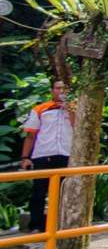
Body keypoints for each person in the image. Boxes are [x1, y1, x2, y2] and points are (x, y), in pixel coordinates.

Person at [18, 78, 73, 232]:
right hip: (43, 154)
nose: (61, 91)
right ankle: (36, 225)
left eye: (64, 88)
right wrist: (25, 157)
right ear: (52, 91)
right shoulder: (40, 109)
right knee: (39, 192)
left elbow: (78, 126)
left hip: (66, 154)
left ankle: (60, 224)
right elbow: (30, 135)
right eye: (57, 88)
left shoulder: (75, 108)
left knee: (64, 192)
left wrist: (69, 109)